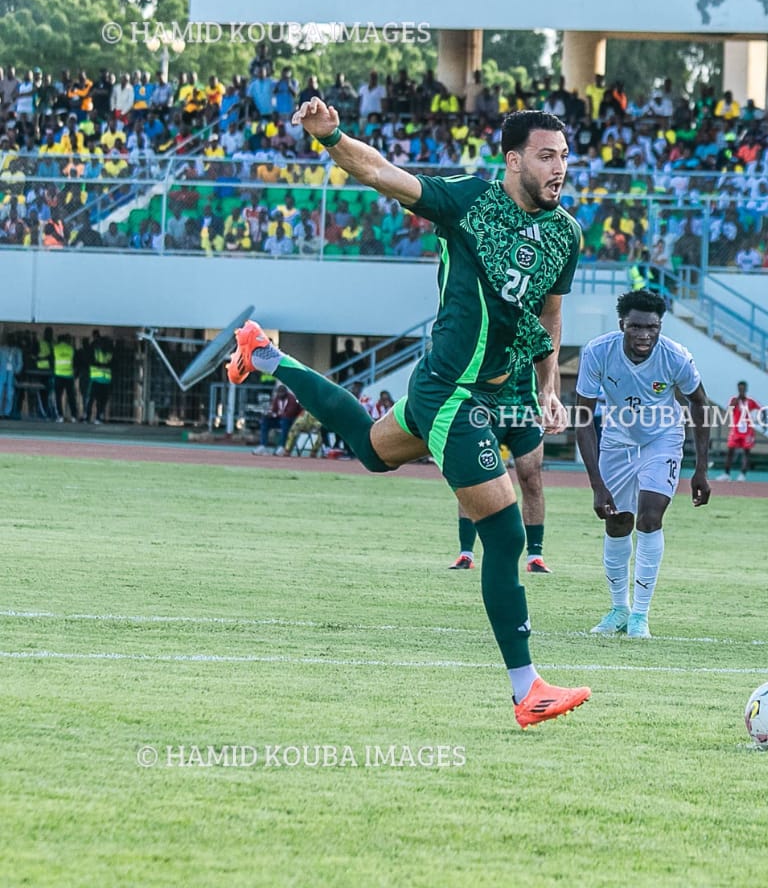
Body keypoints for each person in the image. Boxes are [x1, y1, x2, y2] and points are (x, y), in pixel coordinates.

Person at [226, 105, 590, 729]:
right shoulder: (469, 202)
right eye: (546, 156)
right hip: (453, 392)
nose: (560, 168)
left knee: (372, 451)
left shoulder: (566, 234)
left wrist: (549, 385)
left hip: (492, 395)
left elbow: (551, 315)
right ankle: (526, 690)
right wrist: (330, 137)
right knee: (506, 536)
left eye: (564, 156)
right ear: (513, 161)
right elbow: (381, 173)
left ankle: (265, 355)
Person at [575, 290, 711, 639]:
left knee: (650, 517)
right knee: (617, 522)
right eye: (636, 326)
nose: (644, 335)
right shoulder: (597, 352)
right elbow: (583, 417)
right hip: (617, 440)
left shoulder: (676, 356)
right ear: (622, 323)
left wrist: (701, 469)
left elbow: (699, 403)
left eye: (652, 327)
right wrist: (596, 485)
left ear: (660, 326)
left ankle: (640, 615)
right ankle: (619, 608)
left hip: (662, 438)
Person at [450, 367, 552, 574]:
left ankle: (535, 556)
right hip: (484, 410)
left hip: (525, 412)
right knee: (472, 478)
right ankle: (466, 553)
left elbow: (549, 365)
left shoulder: (534, 343)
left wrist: (550, 399)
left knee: (532, 480)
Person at [718, 380, 761, 482]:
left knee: (746, 452)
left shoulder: (751, 401)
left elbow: (760, 410)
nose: (741, 390)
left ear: (746, 389)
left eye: (743, 389)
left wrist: (760, 420)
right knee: (730, 451)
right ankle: (726, 474)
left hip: (748, 431)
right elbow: (729, 410)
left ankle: (743, 474)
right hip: (736, 430)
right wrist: (737, 401)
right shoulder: (734, 400)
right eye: (739, 389)